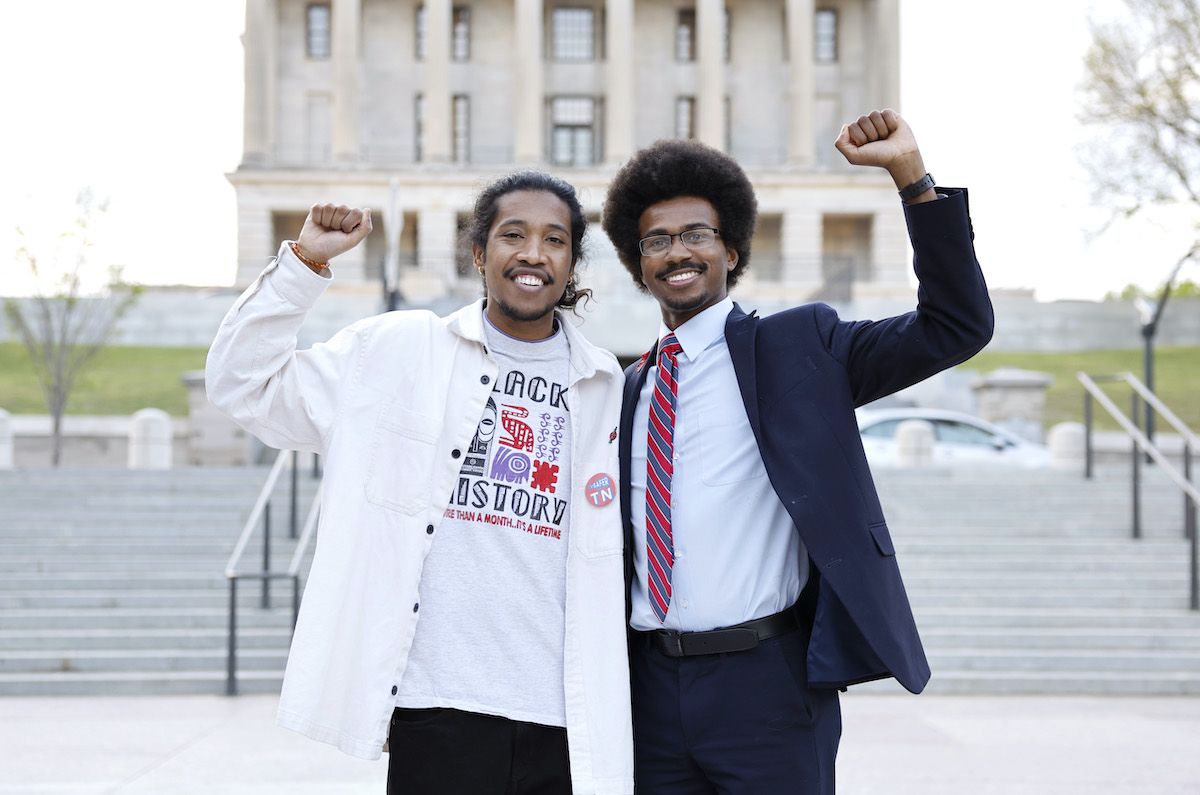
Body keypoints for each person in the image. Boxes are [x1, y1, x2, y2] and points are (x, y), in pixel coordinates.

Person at [600, 109, 994, 794]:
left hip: (767, 686)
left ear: (732, 249)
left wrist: (910, 177)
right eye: (655, 240)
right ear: (641, 264)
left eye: (697, 233)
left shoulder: (801, 348)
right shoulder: (627, 388)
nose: (677, 251)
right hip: (649, 690)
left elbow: (955, 325)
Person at [206, 171, 634, 795]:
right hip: (439, 708)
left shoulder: (607, 389)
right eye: (512, 235)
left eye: (555, 240)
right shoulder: (398, 351)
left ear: (572, 264)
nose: (533, 253)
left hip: (567, 719)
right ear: (478, 253)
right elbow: (244, 386)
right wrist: (301, 266)